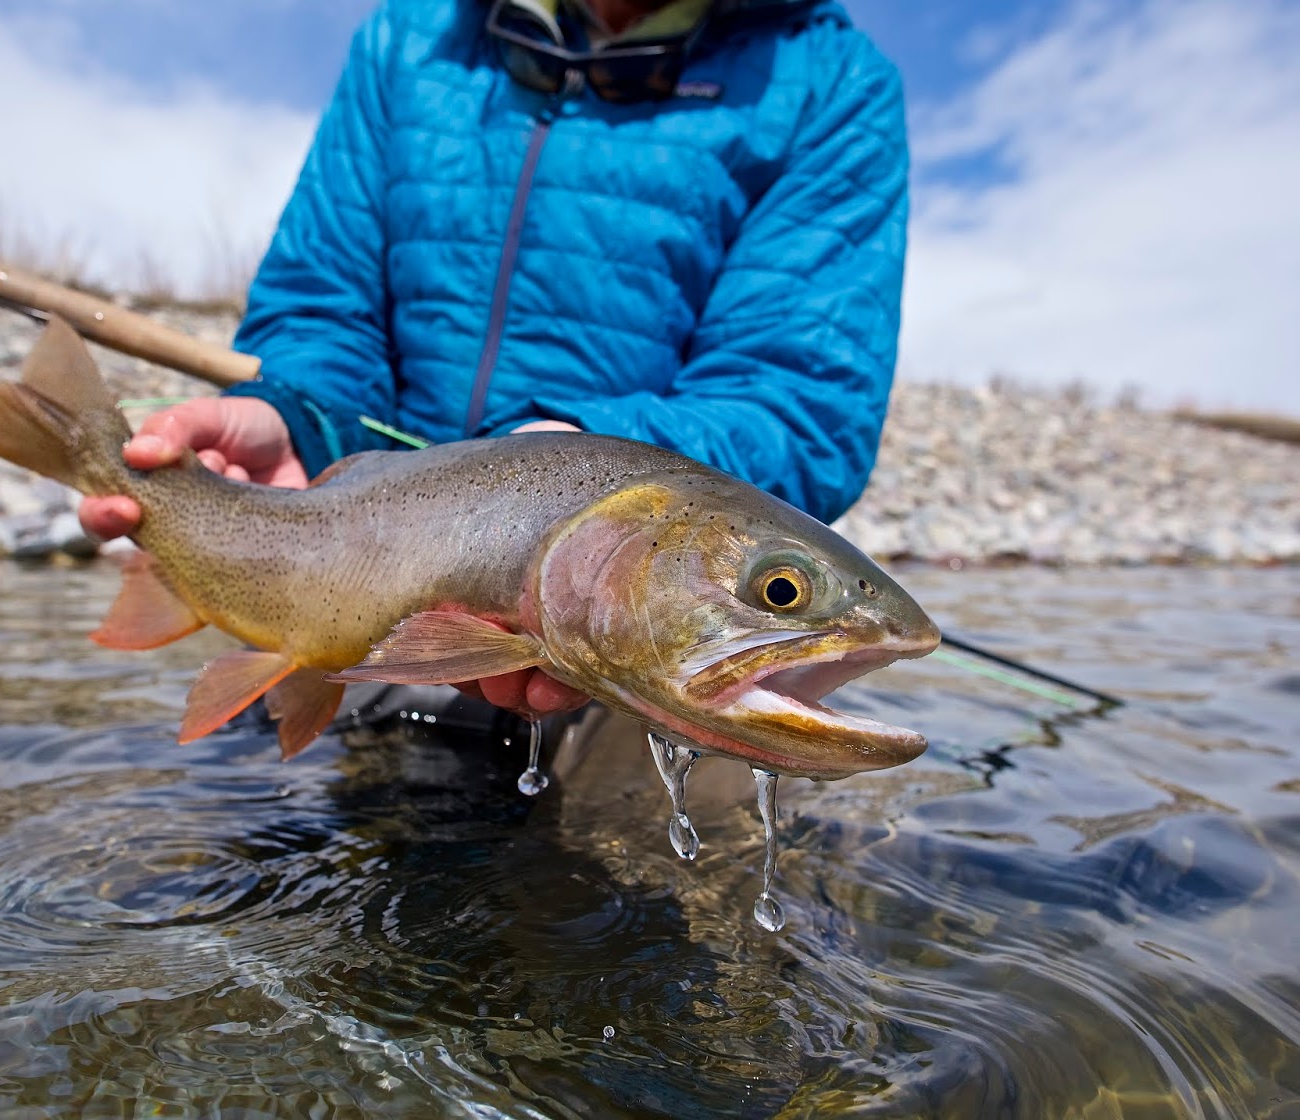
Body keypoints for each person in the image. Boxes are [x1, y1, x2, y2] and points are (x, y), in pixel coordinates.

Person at [79, 0, 908, 721]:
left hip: (639, 631)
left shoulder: (829, 79)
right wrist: (296, 418)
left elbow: (796, 398)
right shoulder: (414, 32)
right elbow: (325, 308)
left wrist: (561, 461)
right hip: (350, 573)